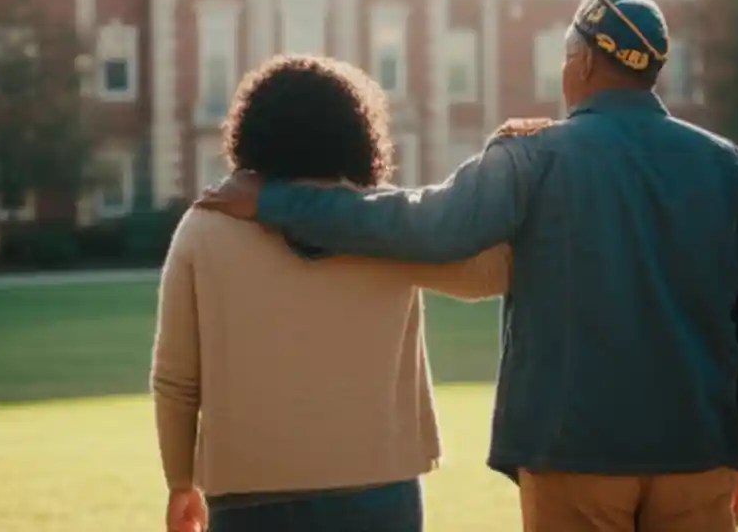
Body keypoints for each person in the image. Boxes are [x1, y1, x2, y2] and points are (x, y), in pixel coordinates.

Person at [198, 0, 738, 532]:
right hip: (701, 456)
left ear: (583, 61)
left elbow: (424, 225)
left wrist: (280, 201)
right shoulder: (729, 167)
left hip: (573, 453)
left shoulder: (536, 157)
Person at [151, 56, 511, 532]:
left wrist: (180, 482)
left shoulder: (204, 227)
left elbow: (175, 380)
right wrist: (511, 159)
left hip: (248, 495)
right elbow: (490, 274)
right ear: (357, 133)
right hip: (379, 490)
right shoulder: (386, 226)